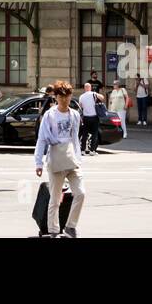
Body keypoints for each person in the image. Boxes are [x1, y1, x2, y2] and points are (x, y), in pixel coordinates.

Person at [34, 80, 85, 237]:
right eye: (61, 96)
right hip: (56, 159)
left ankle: (70, 226)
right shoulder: (50, 115)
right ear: (55, 97)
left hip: (72, 160)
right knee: (55, 200)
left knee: (81, 193)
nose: (64, 99)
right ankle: (54, 231)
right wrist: (38, 162)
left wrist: (78, 158)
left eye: (67, 96)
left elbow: (75, 138)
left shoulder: (75, 115)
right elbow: (42, 139)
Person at [77, 81, 102, 156]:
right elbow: (102, 98)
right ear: (90, 88)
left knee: (84, 134)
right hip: (94, 117)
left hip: (86, 117)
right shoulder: (94, 94)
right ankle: (92, 150)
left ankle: (83, 150)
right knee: (94, 134)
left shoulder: (81, 96)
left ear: (85, 88)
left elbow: (80, 106)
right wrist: (96, 94)